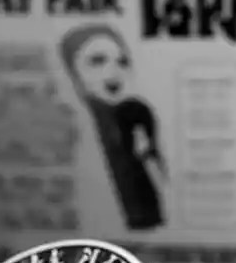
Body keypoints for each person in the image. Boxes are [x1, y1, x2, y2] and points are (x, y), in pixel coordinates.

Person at [59, 24, 166, 230]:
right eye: (97, 61)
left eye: (122, 62)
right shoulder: (73, 127)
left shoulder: (133, 114)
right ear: (71, 69)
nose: (113, 72)